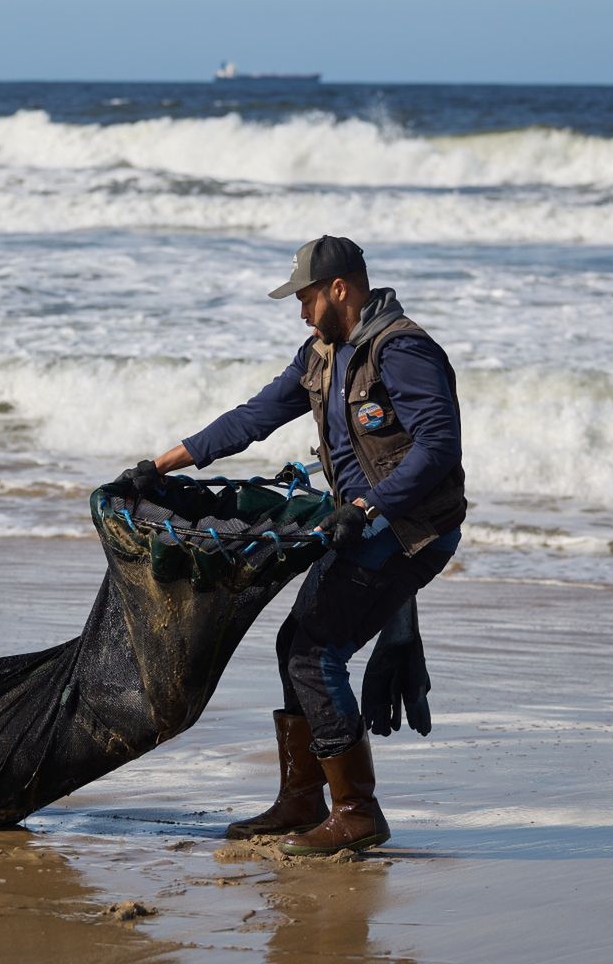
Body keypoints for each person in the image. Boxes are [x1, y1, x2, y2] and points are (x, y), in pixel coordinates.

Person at [127, 236, 465, 855]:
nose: (301, 311)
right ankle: (301, 801)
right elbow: (253, 416)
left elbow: (438, 448)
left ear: (340, 289)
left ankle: (358, 814)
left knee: (316, 653)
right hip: (360, 525)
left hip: (408, 531)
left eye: (306, 297)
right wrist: (162, 464)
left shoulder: (403, 351)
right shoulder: (321, 354)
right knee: (296, 645)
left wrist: (366, 506)